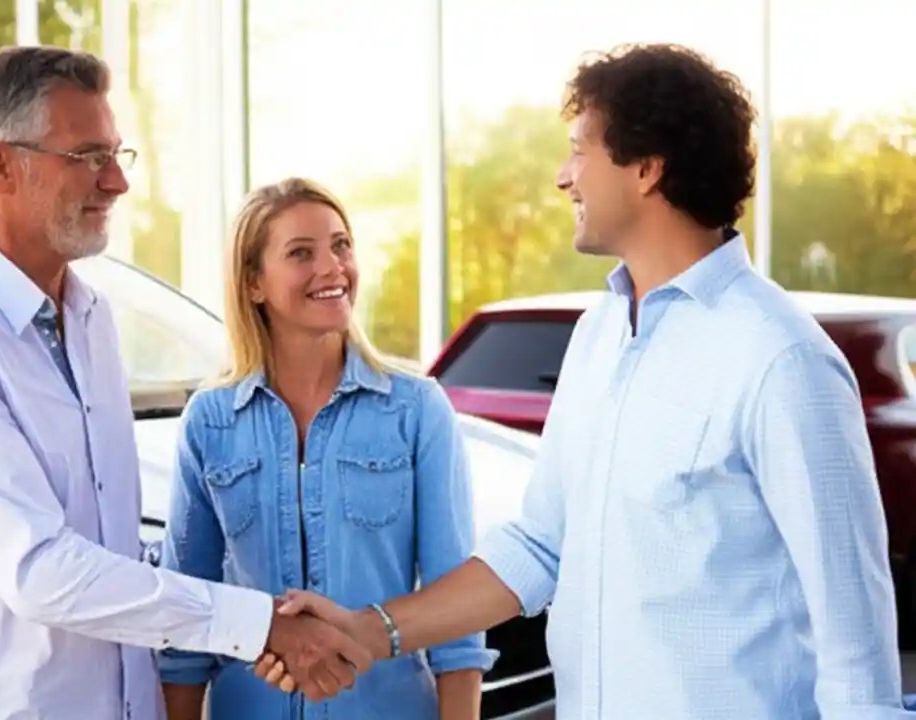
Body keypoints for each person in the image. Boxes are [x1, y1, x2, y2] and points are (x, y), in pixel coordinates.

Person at [256, 43, 911, 719]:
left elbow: (855, 648)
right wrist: (371, 630)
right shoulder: (600, 333)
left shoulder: (782, 360)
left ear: (647, 170)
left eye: (579, 151)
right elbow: (540, 545)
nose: (564, 177)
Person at [0, 46, 371, 720]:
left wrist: (258, 558)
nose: (117, 184)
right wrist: (260, 623)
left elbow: (109, 548)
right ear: (0, 165)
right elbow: (39, 570)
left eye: (116, 156)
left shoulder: (91, 317)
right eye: (88, 157)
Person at [155, 178, 493, 720]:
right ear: (254, 285)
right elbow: (184, 620)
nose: (333, 268)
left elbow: (457, 618)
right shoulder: (210, 421)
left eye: (341, 245)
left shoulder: (416, 410)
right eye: (301, 254)